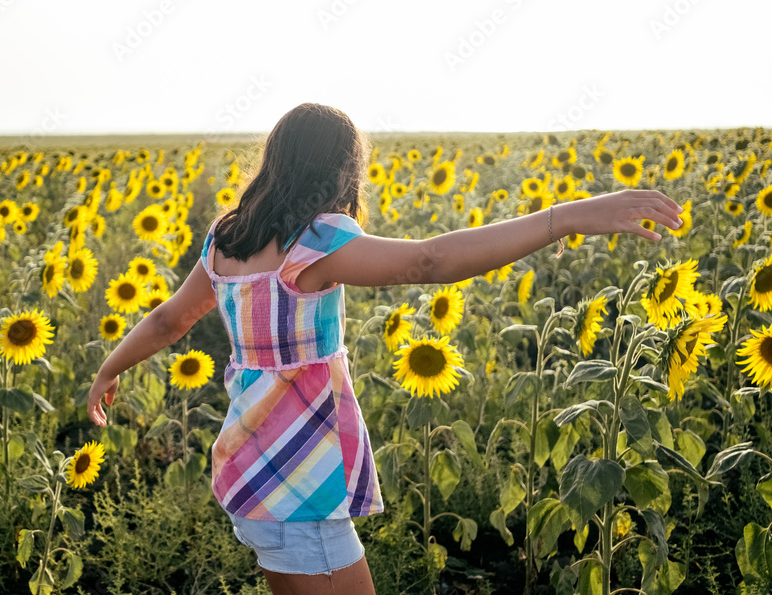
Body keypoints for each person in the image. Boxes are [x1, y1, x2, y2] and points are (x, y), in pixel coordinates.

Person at [86, 102, 683, 595]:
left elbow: (169, 320)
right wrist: (567, 216)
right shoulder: (315, 241)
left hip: (250, 472)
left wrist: (108, 368)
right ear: (340, 172)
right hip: (303, 483)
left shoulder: (226, 236)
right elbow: (431, 260)